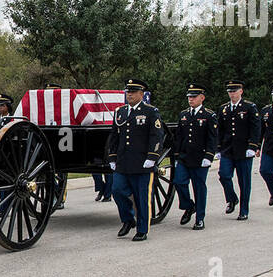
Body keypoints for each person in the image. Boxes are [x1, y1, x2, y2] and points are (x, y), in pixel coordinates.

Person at [106, 77, 165, 241]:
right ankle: (127, 219)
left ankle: (142, 229)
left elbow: (157, 136)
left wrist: (152, 157)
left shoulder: (150, 111)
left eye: (132, 92)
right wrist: (112, 156)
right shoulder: (120, 112)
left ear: (141, 94)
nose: (129, 95)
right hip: (123, 162)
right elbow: (114, 136)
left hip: (142, 163)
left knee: (142, 197)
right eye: (128, 92)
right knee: (117, 191)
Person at [173, 84, 218, 230]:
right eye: (189, 97)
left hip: (200, 158)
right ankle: (188, 206)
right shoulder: (184, 114)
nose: (190, 99)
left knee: (199, 188)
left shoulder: (209, 115)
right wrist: (176, 155)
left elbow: (212, 138)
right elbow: (179, 136)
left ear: (202, 98)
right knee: (179, 182)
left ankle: (200, 218)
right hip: (184, 157)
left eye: (194, 97)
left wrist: (209, 156)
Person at [217, 80, 261, 220]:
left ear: (241, 91)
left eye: (234, 91)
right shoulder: (224, 108)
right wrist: (218, 148)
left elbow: (255, 128)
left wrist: (253, 146)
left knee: (244, 181)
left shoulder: (249, 107)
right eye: (230, 91)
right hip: (228, 149)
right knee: (224, 175)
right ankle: (232, 198)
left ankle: (244, 210)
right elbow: (220, 130)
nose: (232, 94)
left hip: (244, 149)